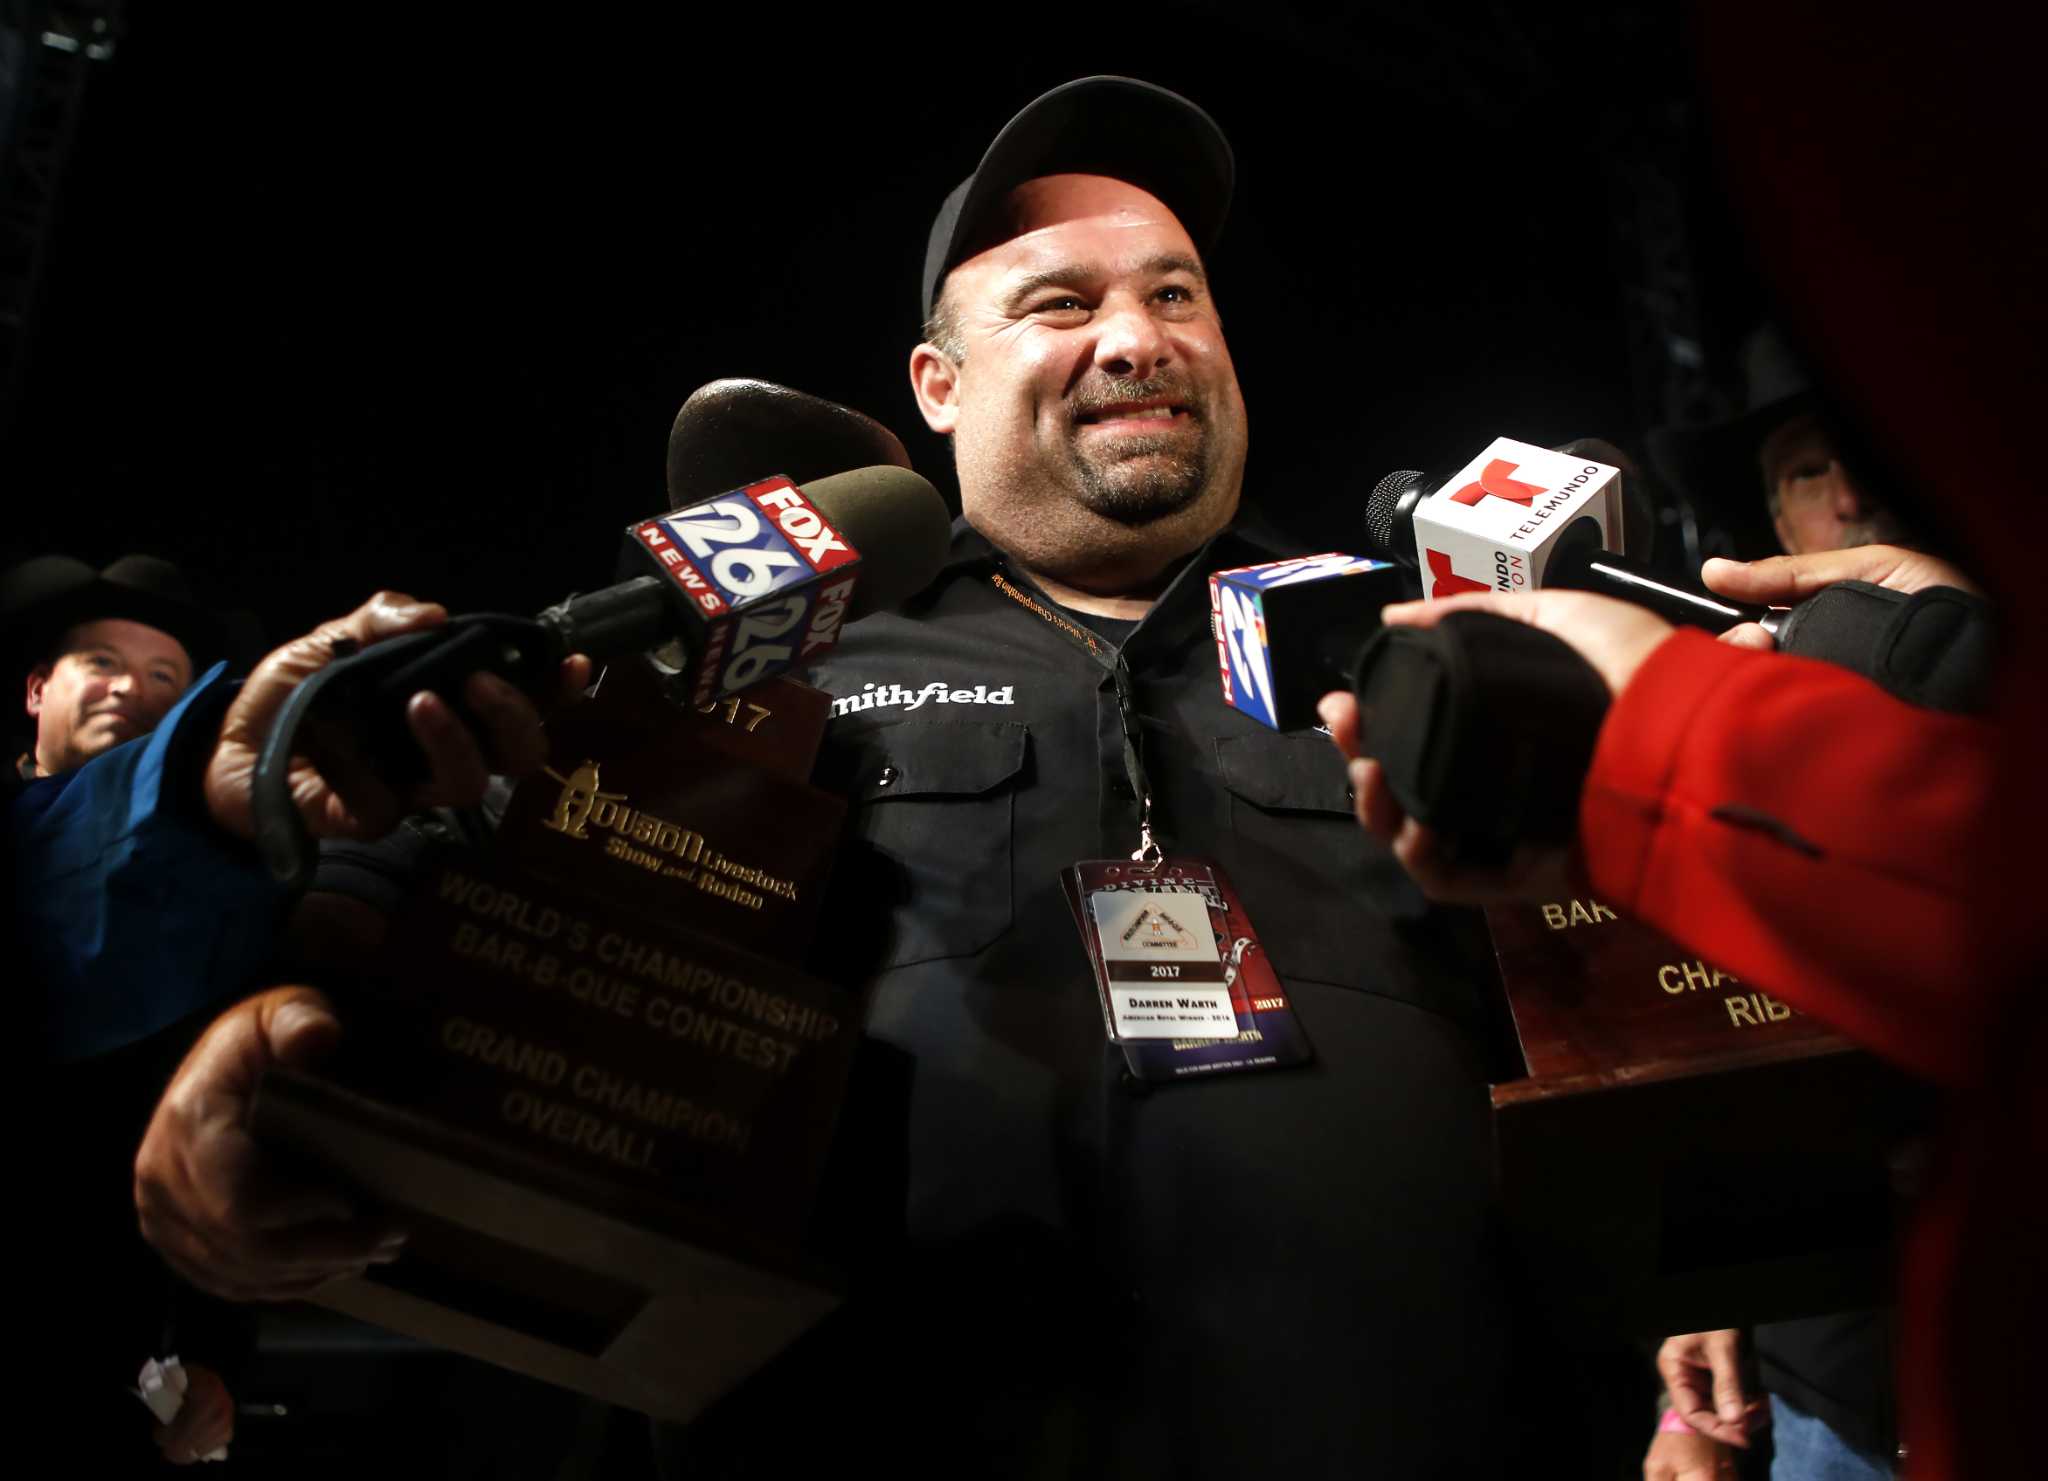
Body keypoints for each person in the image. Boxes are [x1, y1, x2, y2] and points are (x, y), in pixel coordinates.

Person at [131, 78, 1536, 1477]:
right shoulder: (778, 644)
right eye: (1059, 305)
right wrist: (284, 1022)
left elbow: (1601, 1005)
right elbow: (445, 862)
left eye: (1175, 295)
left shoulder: (1411, 642)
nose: (1134, 338)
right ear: (938, 387)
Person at [6, 552, 579, 1465]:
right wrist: (200, 783)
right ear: (38, 687)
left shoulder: (262, 875)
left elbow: (261, 1132)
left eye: (164, 676)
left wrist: (214, 1355)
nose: (129, 687)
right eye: (102, 662)